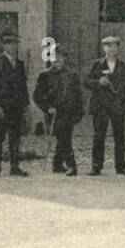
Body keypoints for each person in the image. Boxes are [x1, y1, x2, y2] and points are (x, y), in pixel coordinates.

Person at [84, 36, 125, 175]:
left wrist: (124, 104)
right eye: (108, 46)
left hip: (117, 106)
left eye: (114, 46)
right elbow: (86, 82)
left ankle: (121, 167)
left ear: (118, 48)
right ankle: (96, 166)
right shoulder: (96, 64)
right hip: (100, 106)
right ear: (104, 48)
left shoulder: (124, 66)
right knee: (99, 136)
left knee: (120, 137)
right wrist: (99, 81)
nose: (111, 49)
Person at [34, 46, 84, 175]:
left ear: (64, 58)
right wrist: (47, 108)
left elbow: (78, 95)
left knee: (64, 137)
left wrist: (79, 112)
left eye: (59, 56)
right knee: (63, 138)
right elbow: (37, 96)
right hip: (54, 113)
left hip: (69, 112)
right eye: (53, 56)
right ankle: (71, 165)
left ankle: (57, 164)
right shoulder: (44, 75)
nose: (56, 59)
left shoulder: (72, 75)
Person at [0, 31, 29, 177]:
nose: (12, 47)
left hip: (16, 107)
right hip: (2, 107)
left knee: (15, 138)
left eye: (15, 44)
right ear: (3, 46)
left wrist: (25, 106)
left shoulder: (20, 64)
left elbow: (23, 86)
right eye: (8, 43)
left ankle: (15, 166)